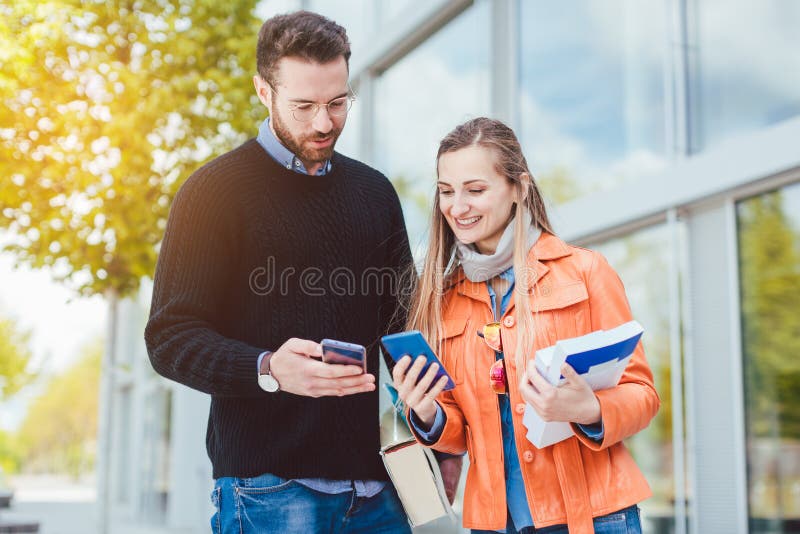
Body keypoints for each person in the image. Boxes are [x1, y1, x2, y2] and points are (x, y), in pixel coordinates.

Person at [144, 11, 413, 534]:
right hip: (267, 490)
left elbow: (405, 330)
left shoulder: (376, 194)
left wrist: (434, 433)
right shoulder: (212, 193)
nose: (323, 122)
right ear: (263, 92)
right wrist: (267, 368)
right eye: (304, 105)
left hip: (380, 490)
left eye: (338, 103)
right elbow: (169, 338)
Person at [392, 117, 660, 534]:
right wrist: (427, 411)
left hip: (594, 516)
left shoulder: (585, 272)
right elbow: (460, 432)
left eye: (475, 190)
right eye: (447, 192)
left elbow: (642, 395)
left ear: (519, 187)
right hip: (495, 523)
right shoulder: (443, 298)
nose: (457, 207)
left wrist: (588, 409)